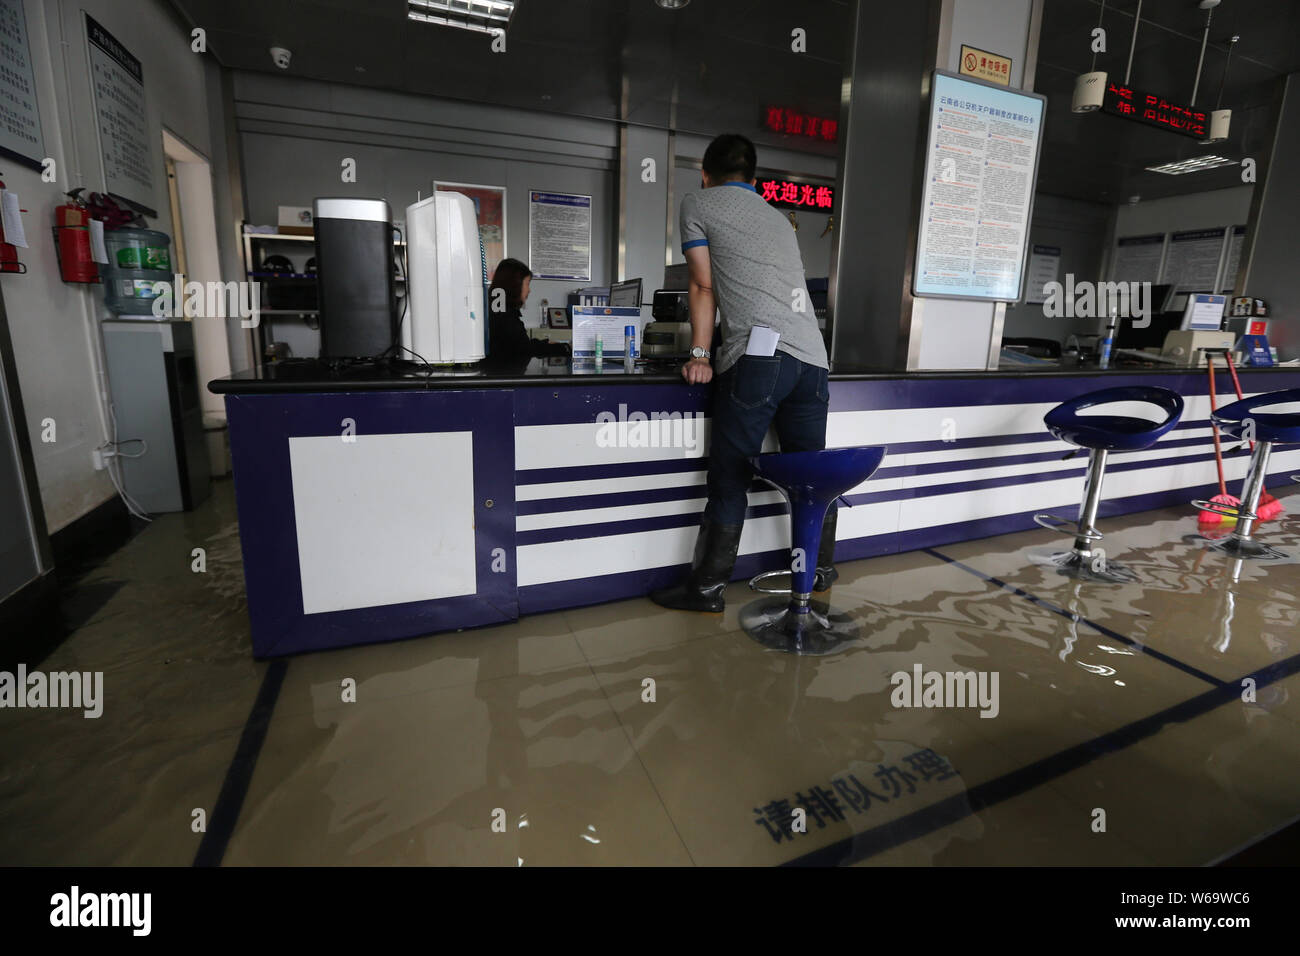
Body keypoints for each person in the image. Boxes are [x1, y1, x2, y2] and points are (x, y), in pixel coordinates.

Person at [650, 133, 834, 613]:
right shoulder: (779, 219)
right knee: (812, 475)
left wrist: (699, 353)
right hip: (814, 362)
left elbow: (703, 284)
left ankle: (707, 590)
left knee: (730, 478)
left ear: (705, 175)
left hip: (760, 360)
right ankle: (818, 575)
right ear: (754, 180)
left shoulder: (698, 202)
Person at [487, 258, 568, 359]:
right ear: (515, 284)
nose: (529, 290)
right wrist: (564, 348)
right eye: (527, 284)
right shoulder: (505, 315)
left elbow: (518, 344)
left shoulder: (496, 308)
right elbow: (525, 350)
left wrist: (544, 343)